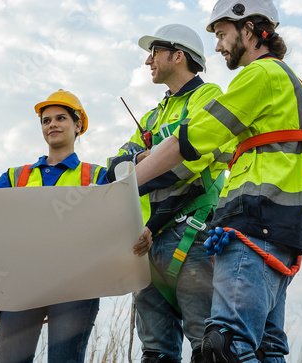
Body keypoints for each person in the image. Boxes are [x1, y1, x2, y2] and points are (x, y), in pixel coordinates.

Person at [134, 0, 302, 363]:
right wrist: (297, 226)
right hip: (282, 232)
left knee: (223, 349)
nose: (218, 46)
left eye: (221, 34)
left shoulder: (260, 74)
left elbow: (193, 140)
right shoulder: (295, 86)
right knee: (267, 350)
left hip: (252, 225)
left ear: (248, 28)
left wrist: (130, 182)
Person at [0, 89, 150, 363]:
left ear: (78, 126)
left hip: (78, 282)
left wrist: (142, 230)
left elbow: (123, 217)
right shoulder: (16, 175)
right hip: (21, 280)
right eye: (46, 120)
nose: (52, 124)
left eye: (60, 118)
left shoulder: (97, 175)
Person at [107, 24, 225, 363]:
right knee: (155, 351)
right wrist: (152, 156)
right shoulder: (152, 116)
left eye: (154, 51)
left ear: (178, 55)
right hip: (148, 242)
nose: (147, 61)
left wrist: (141, 164)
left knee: (207, 344)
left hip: (194, 235)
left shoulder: (209, 97)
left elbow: (195, 160)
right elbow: (114, 168)